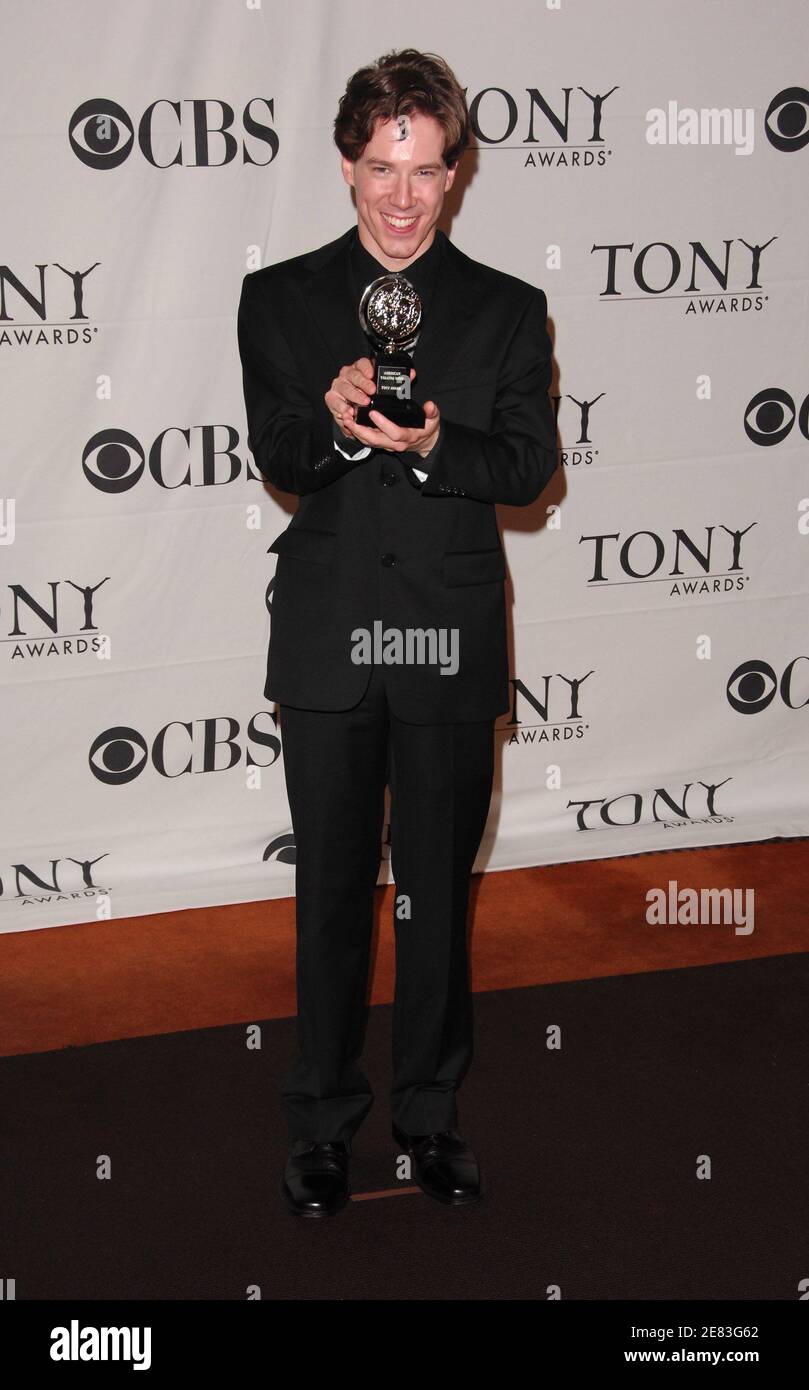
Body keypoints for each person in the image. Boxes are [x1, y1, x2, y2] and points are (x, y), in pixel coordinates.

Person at [237, 47, 557, 1218]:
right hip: (329, 640)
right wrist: (327, 428)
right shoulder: (276, 299)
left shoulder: (508, 309)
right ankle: (320, 1123)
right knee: (329, 892)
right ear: (345, 166)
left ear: (455, 171)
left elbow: (526, 470)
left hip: (446, 638)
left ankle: (428, 1118)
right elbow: (278, 455)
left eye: (425, 168)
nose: (403, 195)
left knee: (431, 894)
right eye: (382, 167)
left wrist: (431, 446)